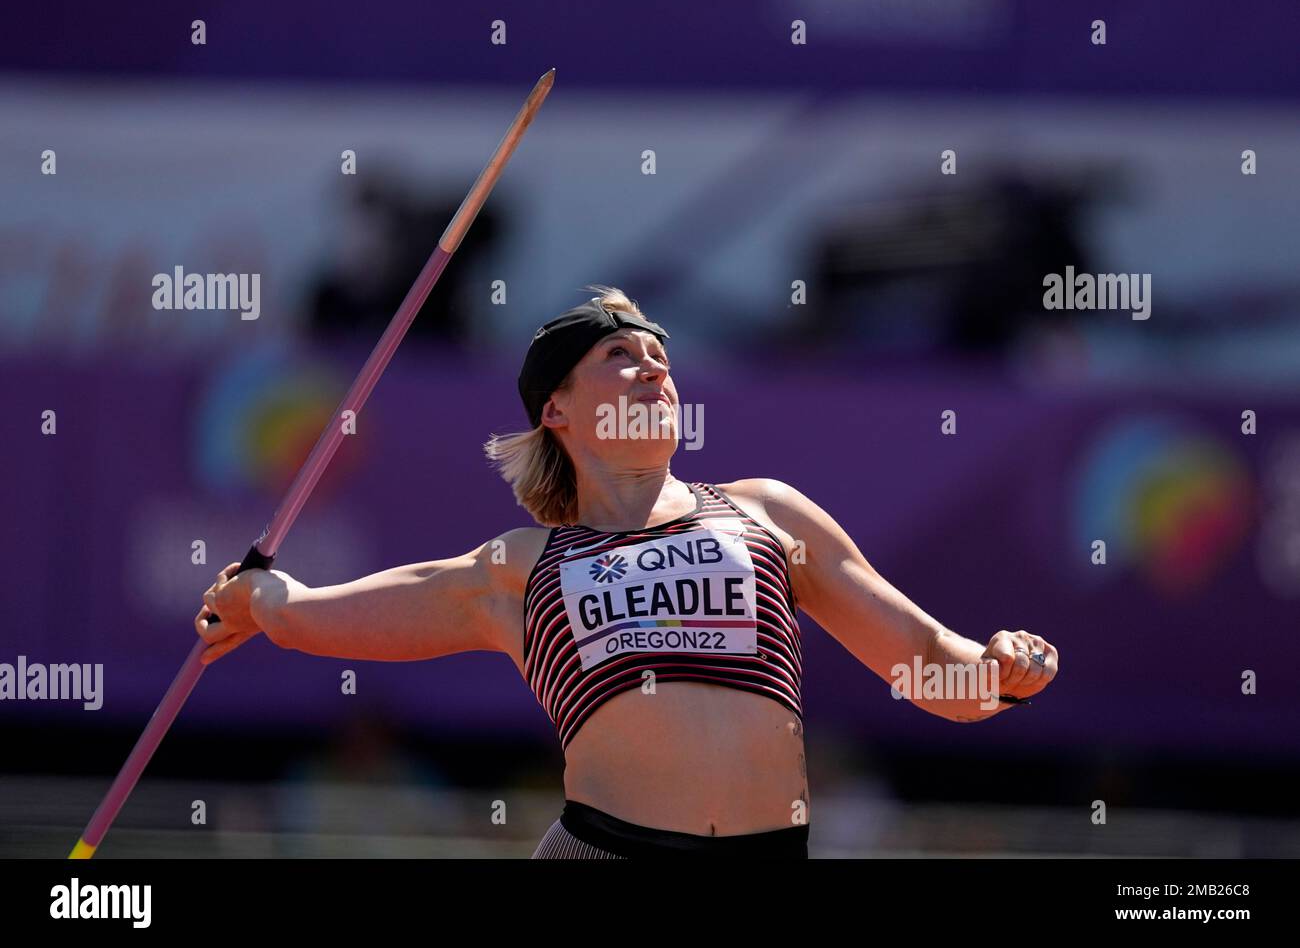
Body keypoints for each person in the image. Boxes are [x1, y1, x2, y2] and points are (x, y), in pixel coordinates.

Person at [194, 284, 1059, 858]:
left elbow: (934, 669)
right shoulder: (523, 565)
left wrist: (1000, 674)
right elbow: (316, 612)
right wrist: (260, 597)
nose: (654, 368)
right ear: (556, 408)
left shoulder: (766, 513)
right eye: (621, 357)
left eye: (661, 360)